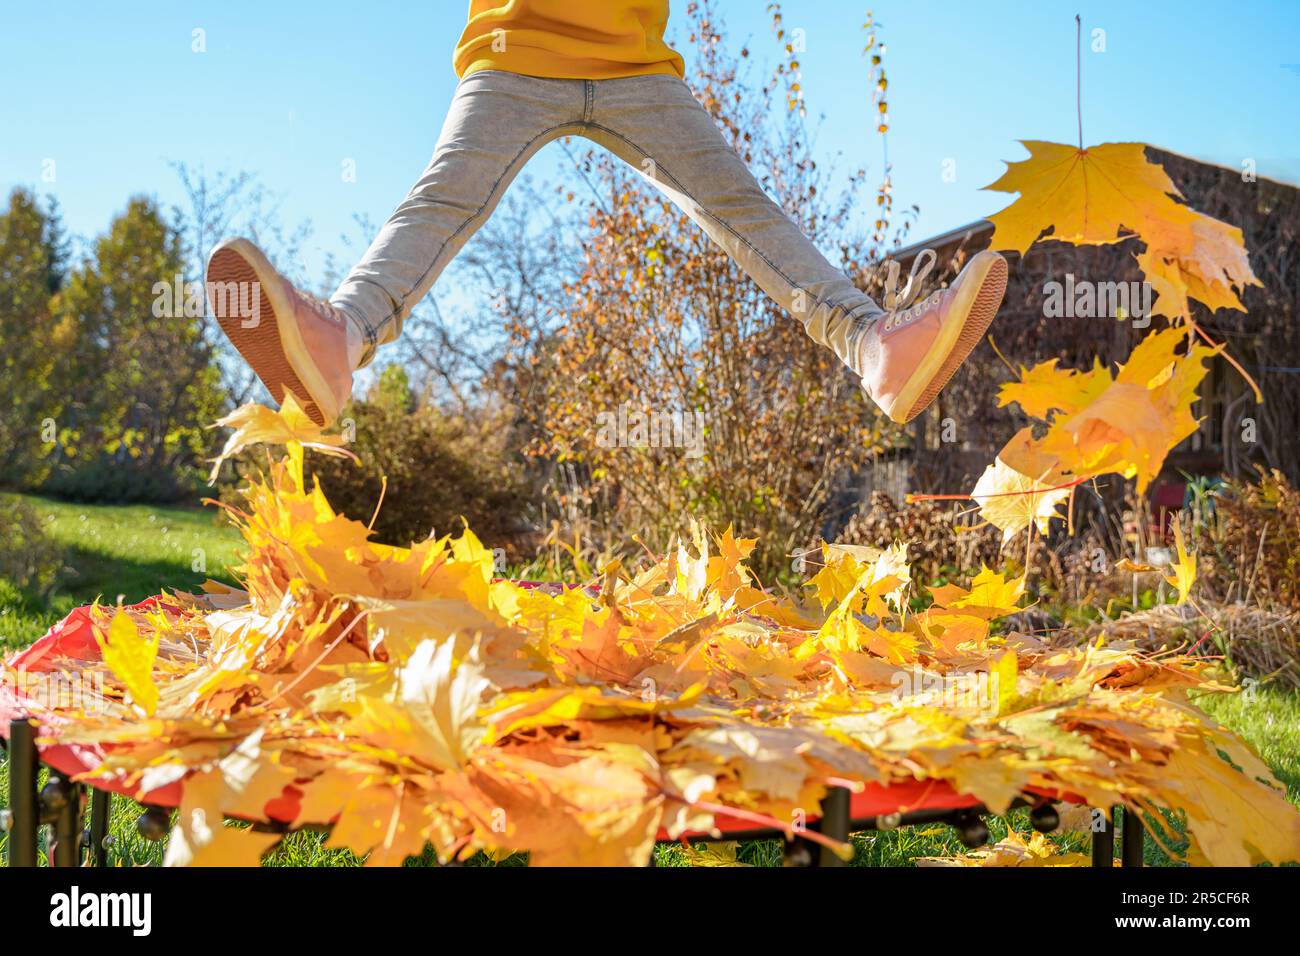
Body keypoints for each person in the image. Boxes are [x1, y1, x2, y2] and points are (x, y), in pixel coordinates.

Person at [205, 0, 1007, 428]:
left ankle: (877, 347)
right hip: (514, 51)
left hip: (636, 69)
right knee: (444, 195)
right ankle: (335, 342)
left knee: (740, 204)